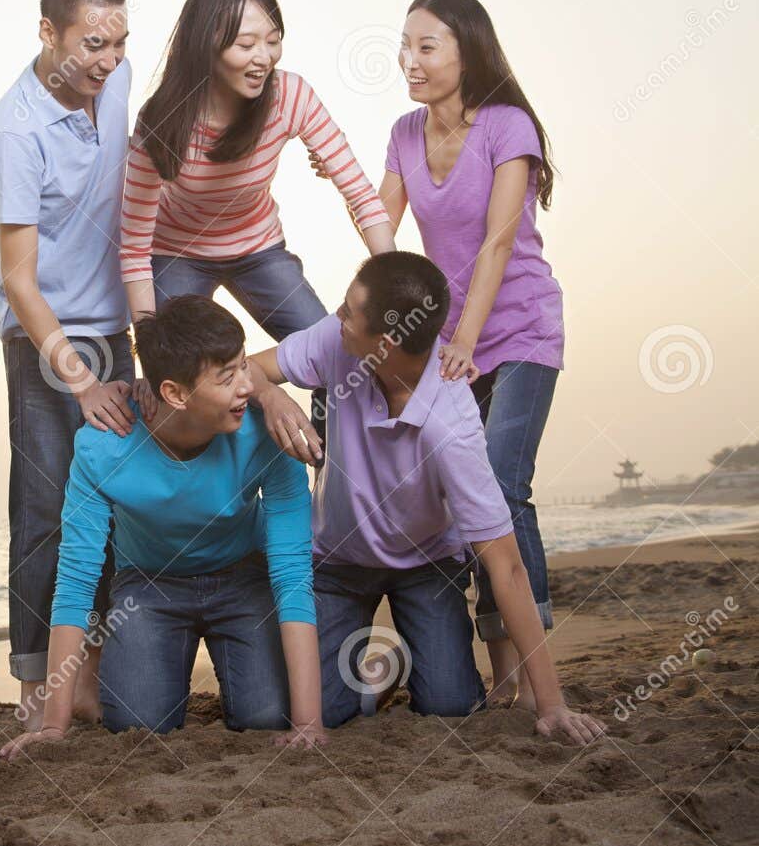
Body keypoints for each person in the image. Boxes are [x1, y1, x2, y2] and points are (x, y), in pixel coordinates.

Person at [248, 252, 603, 746]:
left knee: (449, 708)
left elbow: (505, 566)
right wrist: (273, 396)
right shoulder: (337, 339)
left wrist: (551, 703)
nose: (337, 316)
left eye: (350, 312)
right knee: (321, 709)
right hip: (336, 560)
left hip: (426, 565)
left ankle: (403, 660)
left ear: (386, 343)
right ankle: (373, 675)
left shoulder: (452, 427)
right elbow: (247, 369)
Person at [0, 296, 326, 758]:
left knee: (266, 718)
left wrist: (309, 723)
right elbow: (75, 581)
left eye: (244, 368)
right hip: (148, 588)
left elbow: (293, 574)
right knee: (136, 725)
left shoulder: (267, 431)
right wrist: (54, 724)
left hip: (241, 578)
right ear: (175, 393)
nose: (246, 386)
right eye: (227, 377)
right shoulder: (103, 446)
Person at [373, 0, 566, 709]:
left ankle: (533, 667)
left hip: (519, 332)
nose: (409, 61)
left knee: (501, 483)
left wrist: (461, 339)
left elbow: (495, 241)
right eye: (405, 45)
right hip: (447, 344)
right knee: (463, 497)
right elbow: (380, 229)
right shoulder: (401, 132)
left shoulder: (507, 127)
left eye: (427, 46)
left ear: (466, 50)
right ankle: (502, 670)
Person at [119, 0, 394, 442]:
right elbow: (133, 248)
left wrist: (393, 285)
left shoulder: (291, 95)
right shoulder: (160, 120)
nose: (263, 57)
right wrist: (150, 349)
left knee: (342, 352)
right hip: (176, 253)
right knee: (174, 385)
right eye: (246, 44)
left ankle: (332, 480)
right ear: (206, 45)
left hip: (259, 249)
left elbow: (359, 193)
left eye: (273, 40)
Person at [0, 0, 133, 733]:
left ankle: (93, 673)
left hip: (114, 328)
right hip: (42, 338)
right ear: (49, 34)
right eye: (92, 44)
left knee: (110, 503)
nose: (108, 61)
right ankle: (38, 686)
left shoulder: (120, 75)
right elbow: (18, 282)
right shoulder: (15, 132)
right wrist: (80, 384)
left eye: (119, 42)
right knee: (45, 511)